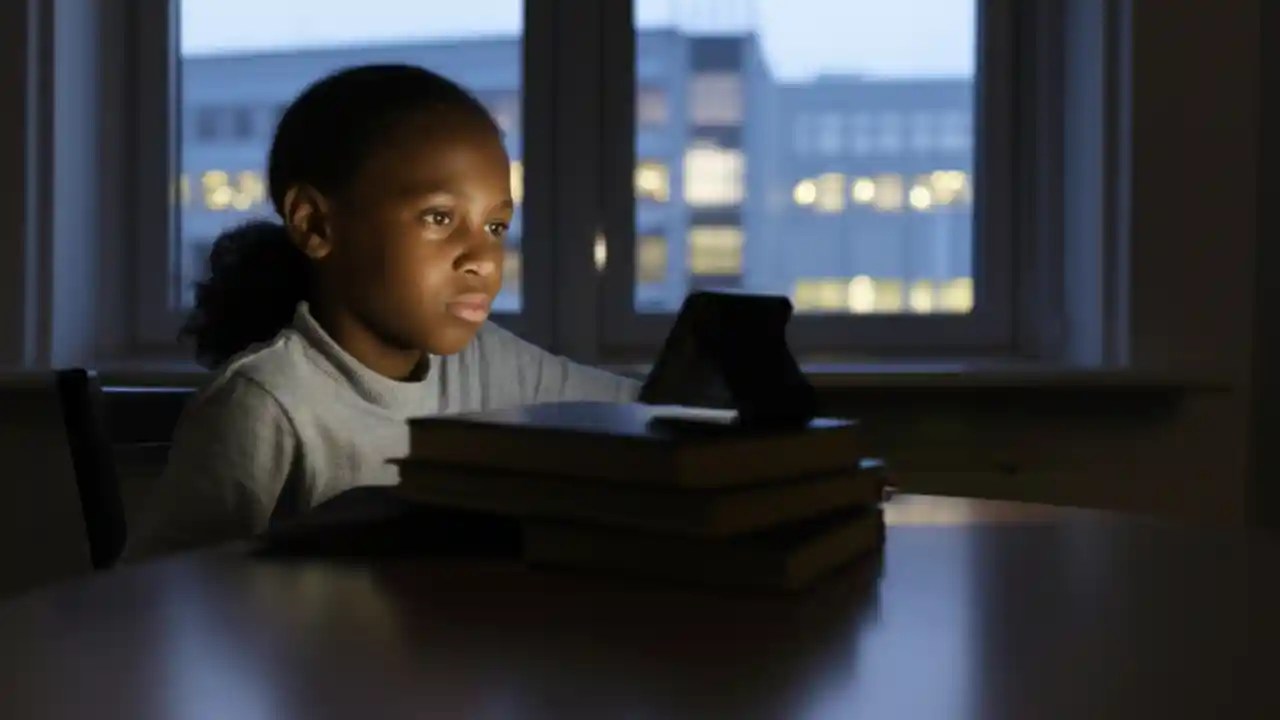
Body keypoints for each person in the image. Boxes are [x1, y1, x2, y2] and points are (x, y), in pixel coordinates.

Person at [126, 64, 638, 559]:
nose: (483, 259)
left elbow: (649, 410)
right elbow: (161, 607)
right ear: (316, 225)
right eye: (440, 217)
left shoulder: (486, 364)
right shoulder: (265, 405)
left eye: (495, 226)